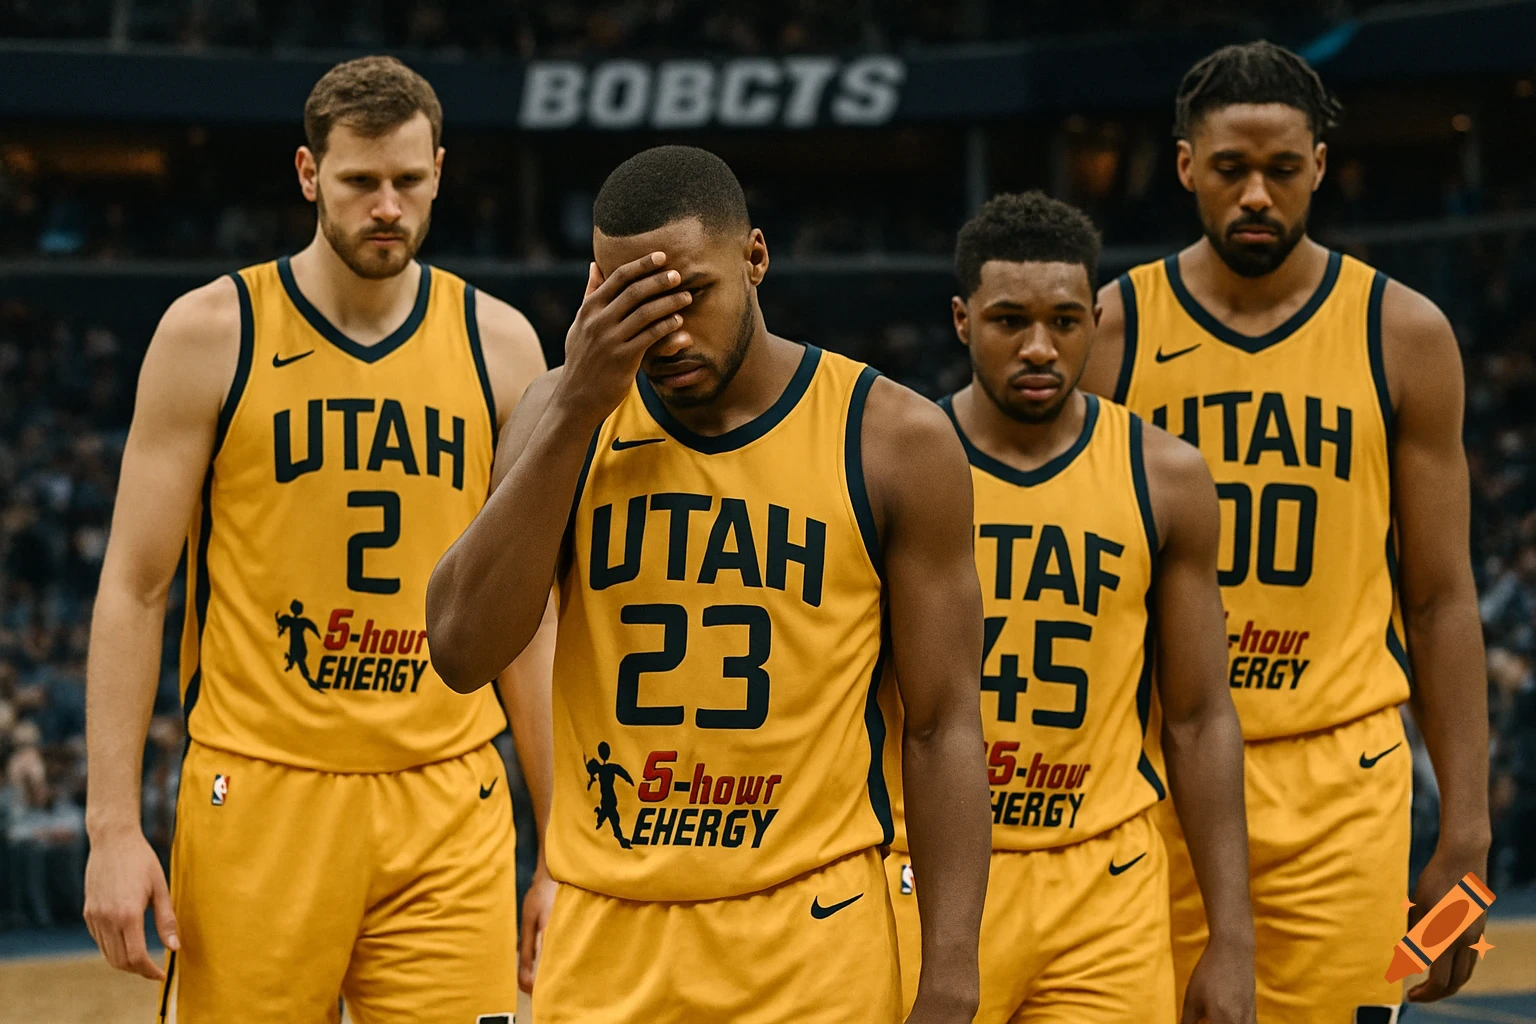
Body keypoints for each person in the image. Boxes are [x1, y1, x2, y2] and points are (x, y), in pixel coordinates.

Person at [427, 144, 991, 1024]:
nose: (671, 332)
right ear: (594, 291)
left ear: (755, 257)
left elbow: (945, 720)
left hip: (812, 933)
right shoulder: (556, 414)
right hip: (604, 933)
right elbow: (464, 650)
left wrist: (952, 972)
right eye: (637, 304)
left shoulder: (892, 437)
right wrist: (580, 401)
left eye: (692, 294)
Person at [82, 56, 556, 1022]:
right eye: (360, 182)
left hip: (447, 801)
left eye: (409, 181)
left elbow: (531, 617)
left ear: (439, 172)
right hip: (258, 793)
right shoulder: (211, 332)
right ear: (309, 175)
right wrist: (111, 827)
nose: (388, 205)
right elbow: (135, 586)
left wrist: (564, 843)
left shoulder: (499, 344)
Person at [1081, 40, 1491, 1020]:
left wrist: (1467, 839)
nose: (1256, 194)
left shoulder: (1405, 333)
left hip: (1341, 784)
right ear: (1187, 169)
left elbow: (1438, 598)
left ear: (1318, 165)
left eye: (1280, 169)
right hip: (1155, 776)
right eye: (1230, 169)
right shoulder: (1109, 331)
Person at [881, 191, 1255, 1024]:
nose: (1041, 347)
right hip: (926, 876)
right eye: (1010, 321)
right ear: (961, 319)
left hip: (1103, 886)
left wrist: (1231, 938)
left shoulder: (1167, 477)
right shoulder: (892, 467)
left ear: (1096, 319)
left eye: (1066, 320)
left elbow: (1199, 717)